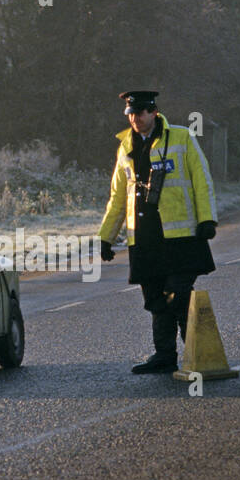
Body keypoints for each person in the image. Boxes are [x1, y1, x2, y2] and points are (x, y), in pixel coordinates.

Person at [98, 90, 218, 373]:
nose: (136, 120)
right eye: (131, 115)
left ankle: (197, 352)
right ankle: (164, 355)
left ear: (153, 112)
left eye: (140, 114)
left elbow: (202, 180)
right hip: (145, 237)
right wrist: (105, 236)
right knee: (154, 298)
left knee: (178, 293)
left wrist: (207, 219)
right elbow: (118, 196)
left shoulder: (181, 137)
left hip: (181, 236)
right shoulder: (125, 146)